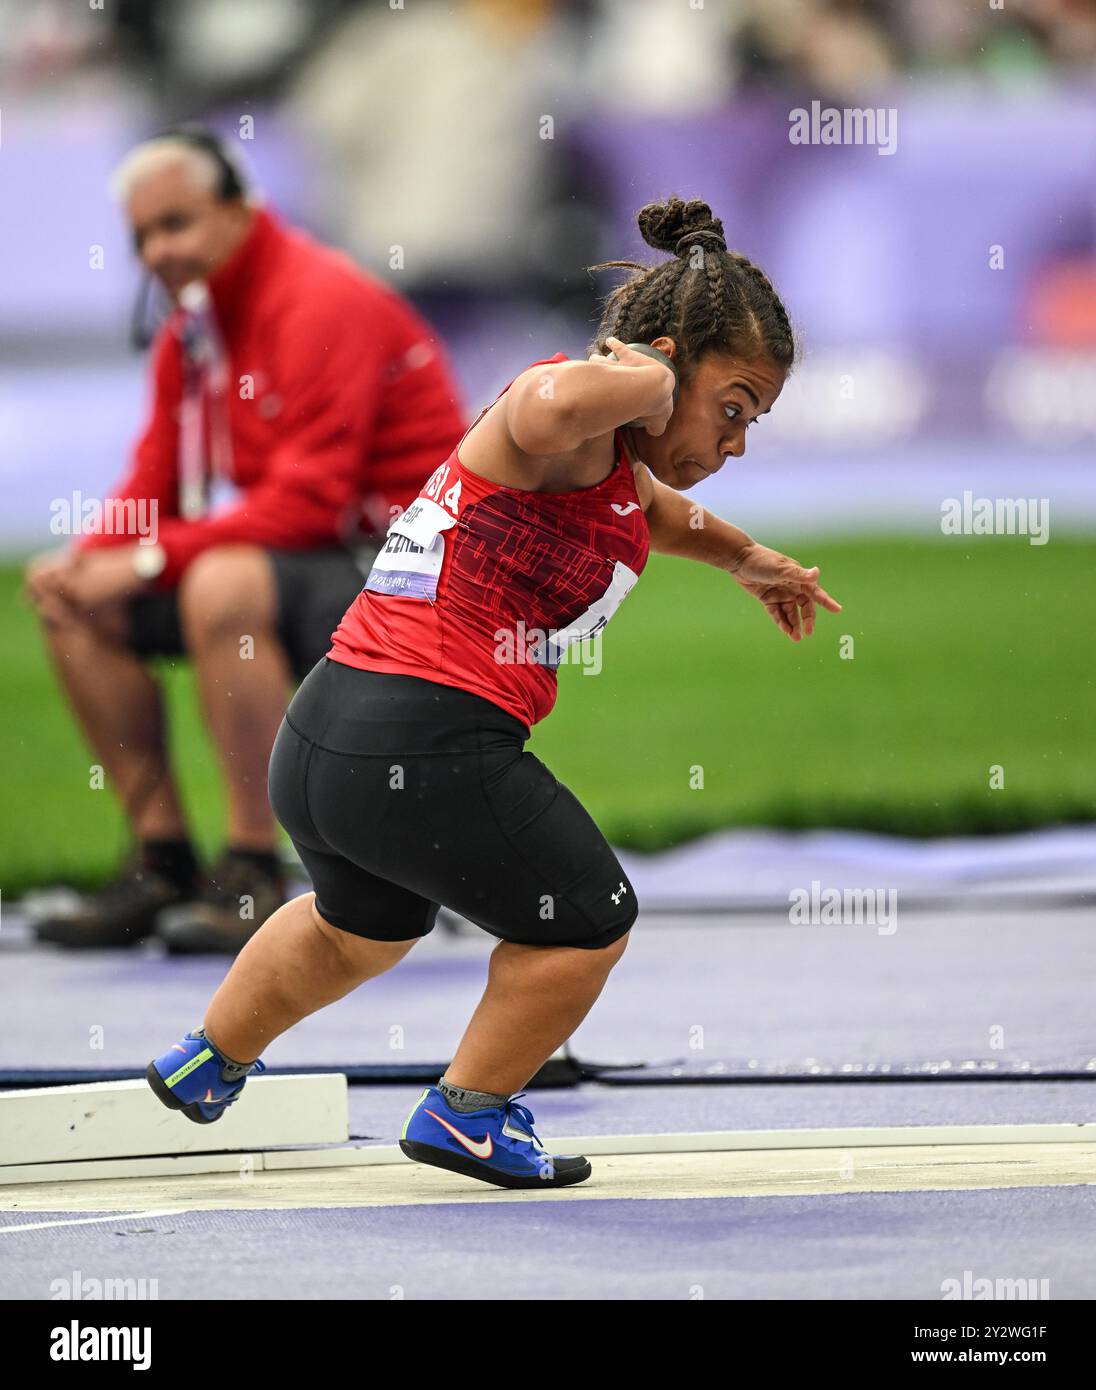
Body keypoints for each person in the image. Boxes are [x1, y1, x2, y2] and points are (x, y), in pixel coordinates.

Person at [146, 196, 842, 1189]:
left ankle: (208, 1058)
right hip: (422, 738)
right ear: (657, 360)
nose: (735, 443)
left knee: (359, 928)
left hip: (327, 738)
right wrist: (646, 373)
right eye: (731, 406)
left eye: (752, 423)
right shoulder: (563, 415)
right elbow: (544, 404)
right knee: (586, 918)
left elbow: (672, 519)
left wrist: (755, 561)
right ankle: (467, 1112)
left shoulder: (612, 470)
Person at [24, 127, 465, 954]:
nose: (157, 250)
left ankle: (254, 869)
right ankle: (162, 863)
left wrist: (147, 559)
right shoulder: (194, 327)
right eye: (142, 235)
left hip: (413, 572)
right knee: (72, 604)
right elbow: (152, 477)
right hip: (316, 557)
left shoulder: (318, 299)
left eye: (176, 224)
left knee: (220, 583)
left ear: (237, 212)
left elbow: (307, 502)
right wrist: (85, 560)